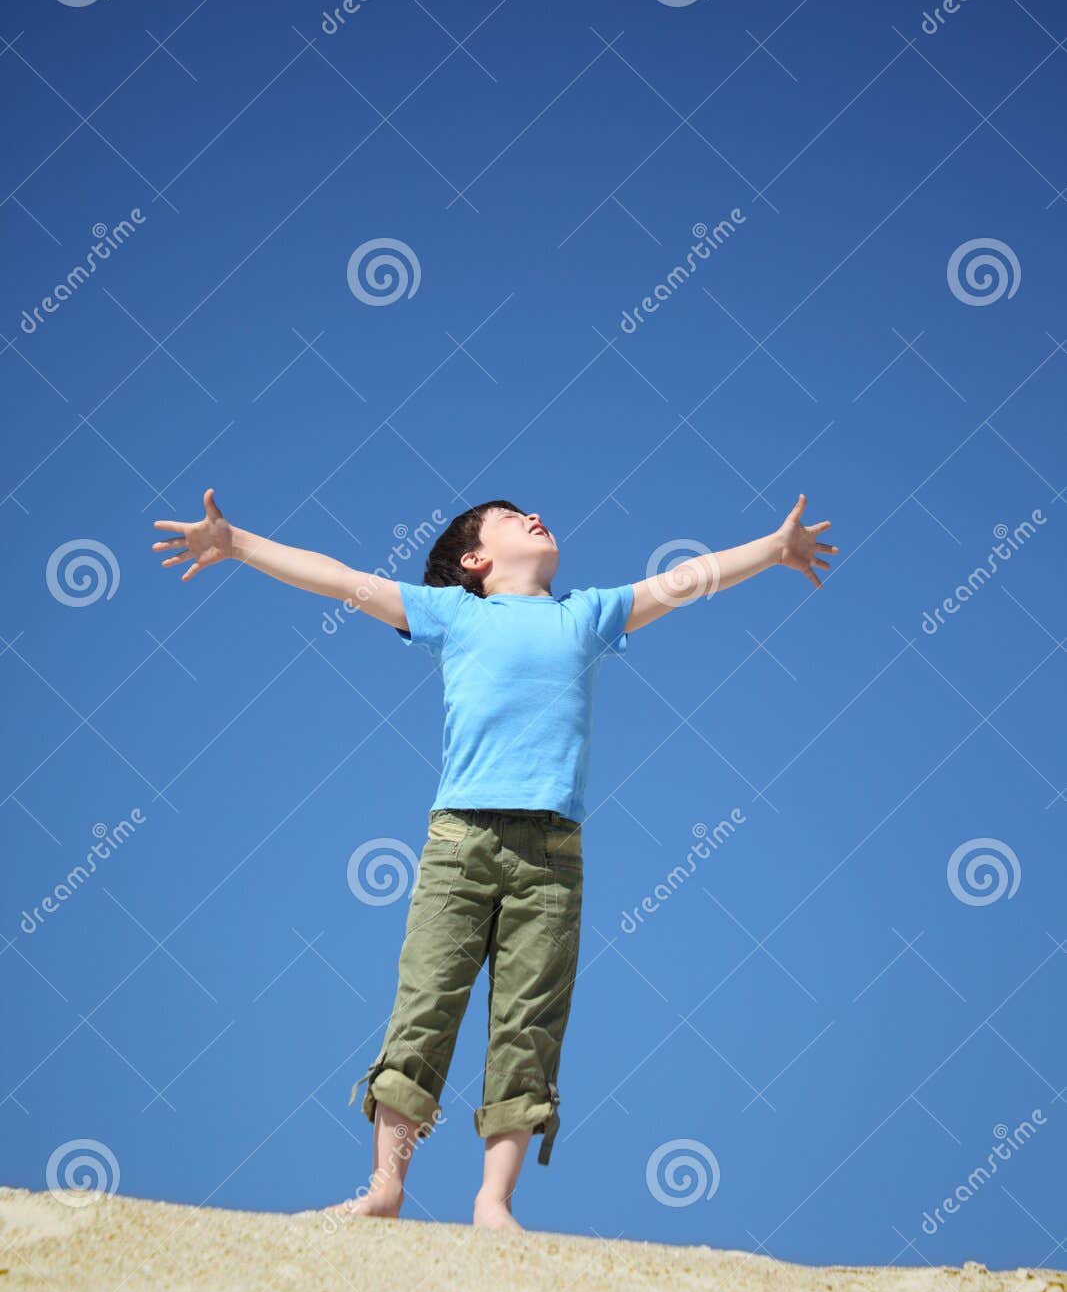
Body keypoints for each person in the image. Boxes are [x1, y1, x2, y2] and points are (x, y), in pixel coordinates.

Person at [153, 491, 835, 1229]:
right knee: (425, 1004)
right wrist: (237, 541)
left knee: (530, 1023)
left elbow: (685, 580)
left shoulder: (588, 613)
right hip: (459, 844)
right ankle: (386, 1187)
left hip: (551, 855)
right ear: (475, 561)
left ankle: (493, 1201)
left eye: (534, 512)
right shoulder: (454, 615)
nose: (535, 517)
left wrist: (772, 549)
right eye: (511, 518)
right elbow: (336, 577)